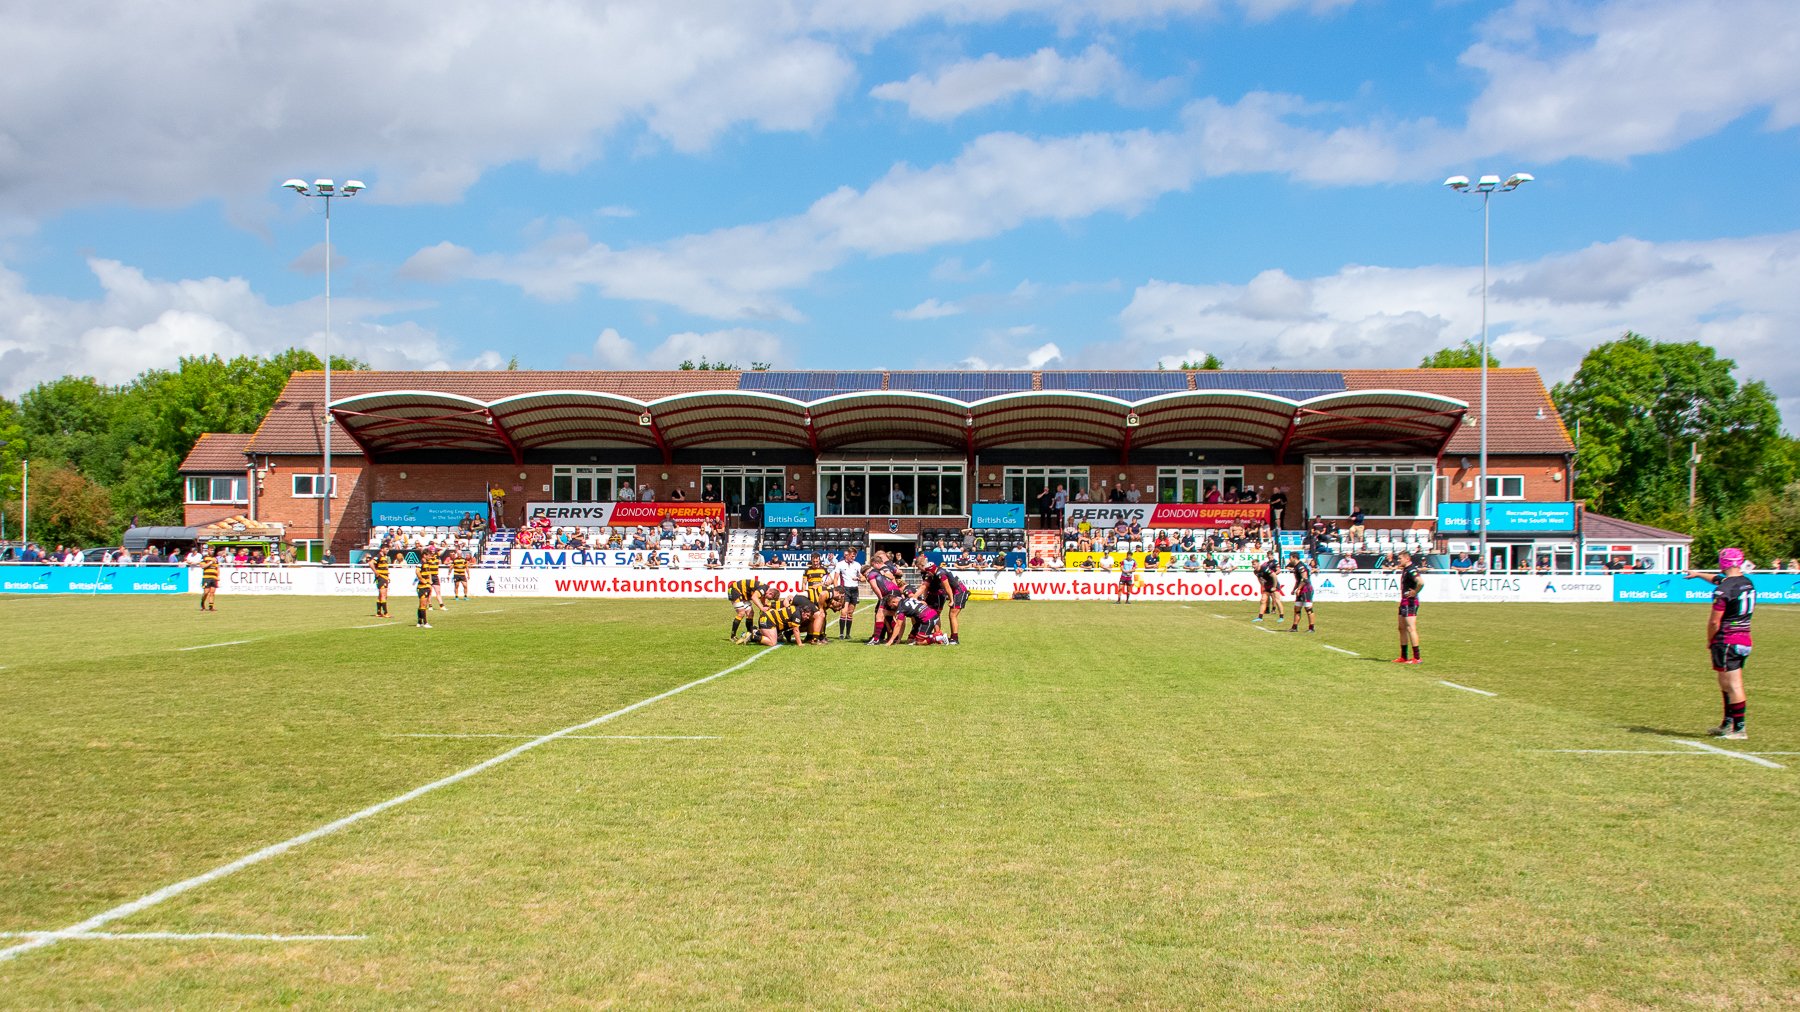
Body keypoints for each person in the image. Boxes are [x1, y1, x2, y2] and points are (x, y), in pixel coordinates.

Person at [1685, 549, 1754, 739]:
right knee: (1725, 682)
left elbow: (1715, 621)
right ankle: (1728, 723)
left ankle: (1739, 729)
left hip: (1727, 640)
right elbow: (1718, 580)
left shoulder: (1724, 589)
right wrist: (1698, 574)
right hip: (1744, 638)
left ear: (1723, 563)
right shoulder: (1746, 583)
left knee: (1733, 685)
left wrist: (1710, 639)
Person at [920, 559, 969, 644]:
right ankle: (953, 637)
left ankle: (955, 639)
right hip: (957, 591)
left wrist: (951, 600)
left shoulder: (941, 574)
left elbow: (947, 587)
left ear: (931, 570)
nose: (928, 574)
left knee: (952, 615)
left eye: (928, 572)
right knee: (951, 615)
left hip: (959, 591)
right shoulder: (938, 570)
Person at [1395, 550, 1422, 664]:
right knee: (1401, 628)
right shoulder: (1406, 569)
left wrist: (1415, 592)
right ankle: (1403, 656)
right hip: (1404, 601)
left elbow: (1420, 582)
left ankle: (1417, 657)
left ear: (1407, 559)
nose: (1398, 560)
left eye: (1400, 558)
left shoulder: (1411, 570)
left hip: (1410, 601)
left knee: (1411, 628)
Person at [830, 548, 862, 640]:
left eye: (855, 556)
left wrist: (859, 579)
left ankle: (848, 634)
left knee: (850, 613)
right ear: (847, 555)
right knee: (843, 612)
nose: (854, 557)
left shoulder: (857, 565)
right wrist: (837, 590)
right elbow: (835, 578)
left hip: (855, 590)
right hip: (845, 589)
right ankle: (841, 634)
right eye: (852, 556)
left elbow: (863, 577)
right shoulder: (840, 564)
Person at [726, 577, 770, 642]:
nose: (769, 599)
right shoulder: (763, 589)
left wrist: (766, 607)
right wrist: (762, 608)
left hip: (742, 594)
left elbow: (764, 601)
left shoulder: (765, 590)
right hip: (734, 590)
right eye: (771, 598)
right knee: (741, 613)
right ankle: (733, 636)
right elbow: (754, 597)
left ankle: (749, 634)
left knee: (750, 613)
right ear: (770, 593)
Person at [1287, 553, 1316, 633]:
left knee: (1308, 609)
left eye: (1290, 558)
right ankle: (1294, 627)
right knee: (1297, 608)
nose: (1289, 560)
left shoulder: (1301, 566)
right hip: (1301, 589)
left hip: (1306, 589)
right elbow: (1298, 580)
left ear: (1294, 558)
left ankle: (1311, 627)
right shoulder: (1296, 567)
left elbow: (1304, 578)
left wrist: (1299, 589)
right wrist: (1294, 589)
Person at [1253, 553, 1285, 623]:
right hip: (1267, 585)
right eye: (1252, 564)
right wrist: (1263, 586)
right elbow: (1259, 579)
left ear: (1258, 564)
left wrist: (1274, 586)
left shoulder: (1264, 568)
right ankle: (1260, 617)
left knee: (1277, 600)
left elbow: (1274, 576)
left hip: (1274, 584)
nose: (1253, 566)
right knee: (1263, 600)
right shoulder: (1255, 572)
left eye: (1254, 564)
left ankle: (1281, 617)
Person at [370, 549, 391, 618]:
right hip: (381, 578)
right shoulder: (378, 556)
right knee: (383, 595)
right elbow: (370, 563)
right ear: (382, 549)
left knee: (381, 595)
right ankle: (385, 612)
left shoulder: (384, 557)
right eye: (386, 549)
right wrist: (376, 572)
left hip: (384, 577)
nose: (388, 550)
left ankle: (379, 612)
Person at [414, 563, 434, 628]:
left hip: (427, 586)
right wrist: (422, 580)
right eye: (428, 555)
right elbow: (417, 572)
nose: (429, 556)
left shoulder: (427, 564)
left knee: (422, 605)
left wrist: (430, 581)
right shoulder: (420, 564)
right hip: (422, 587)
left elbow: (429, 573)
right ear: (424, 555)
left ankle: (419, 622)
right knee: (423, 605)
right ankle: (425, 623)